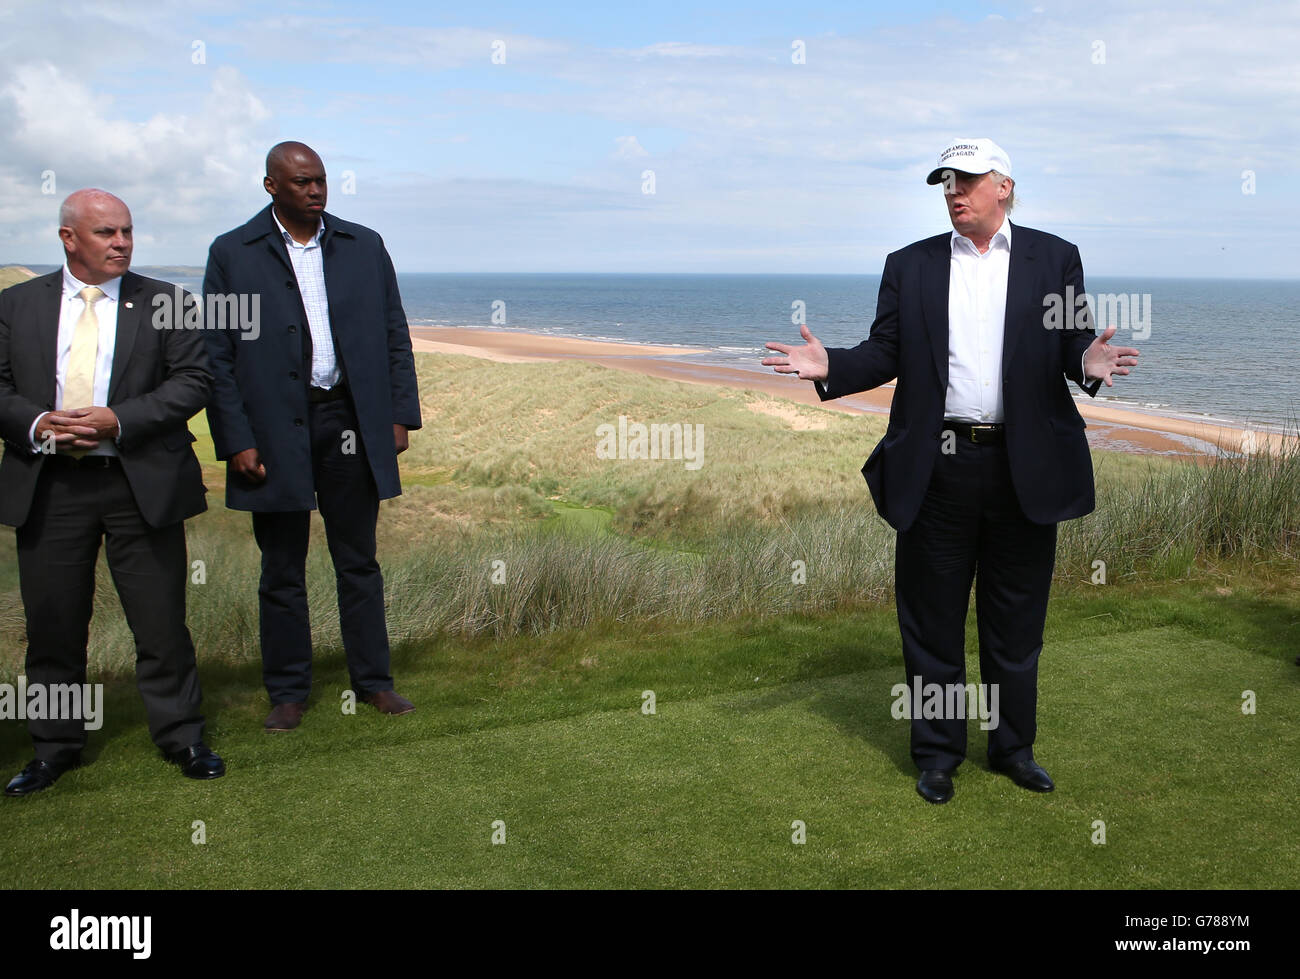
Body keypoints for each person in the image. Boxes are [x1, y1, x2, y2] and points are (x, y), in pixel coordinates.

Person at [763, 139, 1139, 804]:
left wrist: (1090, 365)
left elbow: (1071, 342)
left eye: (966, 181)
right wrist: (832, 368)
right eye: (945, 183)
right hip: (938, 468)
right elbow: (885, 351)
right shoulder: (909, 265)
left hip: (1025, 466)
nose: (953, 193)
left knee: (1016, 622)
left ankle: (1013, 747)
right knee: (931, 620)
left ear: (1004, 187)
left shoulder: (1055, 258)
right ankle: (938, 753)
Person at [0, 189, 223, 795]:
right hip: (49, 488)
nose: (121, 242)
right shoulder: (16, 305)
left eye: (126, 231)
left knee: (160, 624)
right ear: (69, 238)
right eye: (106, 233)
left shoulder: (168, 302)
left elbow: (194, 381)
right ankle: (53, 749)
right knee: (53, 626)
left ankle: (183, 737)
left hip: (139, 484)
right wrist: (37, 423)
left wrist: (116, 420)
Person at [203, 141, 422, 732]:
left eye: (320, 180)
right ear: (271, 185)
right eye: (301, 182)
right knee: (281, 569)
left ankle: (375, 683)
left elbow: (393, 332)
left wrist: (399, 416)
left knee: (358, 562)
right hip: (273, 432)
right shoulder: (232, 253)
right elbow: (217, 358)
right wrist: (235, 440)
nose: (315, 190)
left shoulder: (363, 245)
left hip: (348, 423)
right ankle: (289, 692)